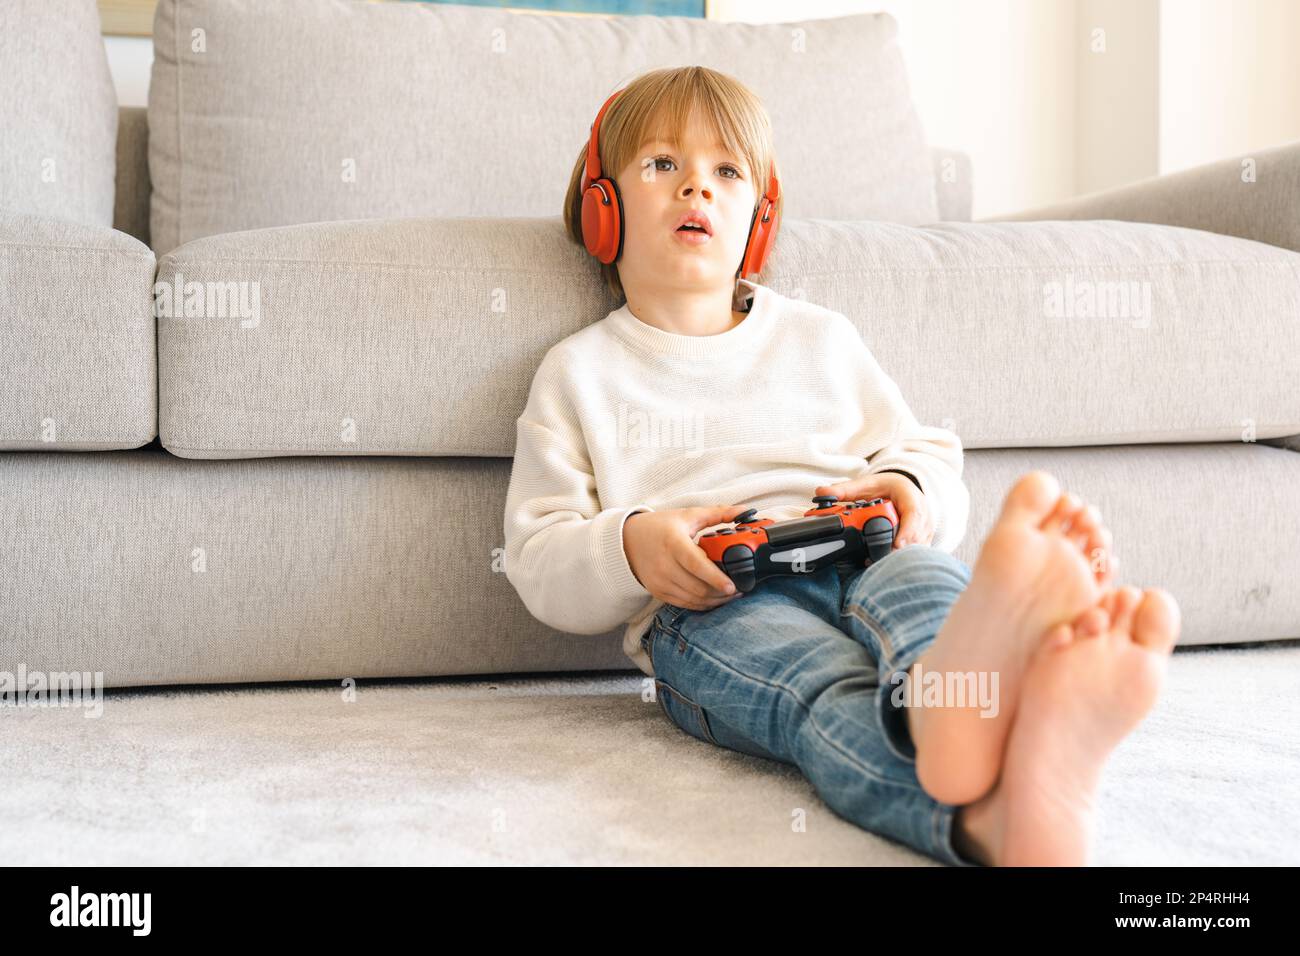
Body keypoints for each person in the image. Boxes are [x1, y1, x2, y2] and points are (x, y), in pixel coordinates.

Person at [503, 65, 1181, 866]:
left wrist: (904, 491)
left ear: (759, 221)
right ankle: (985, 816)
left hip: (862, 547)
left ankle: (958, 702)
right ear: (601, 207)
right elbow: (538, 555)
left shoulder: (820, 338)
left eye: (727, 172)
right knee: (820, 686)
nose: (697, 191)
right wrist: (633, 545)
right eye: (663, 166)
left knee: (925, 583)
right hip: (717, 605)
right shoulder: (579, 372)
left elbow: (920, 448)